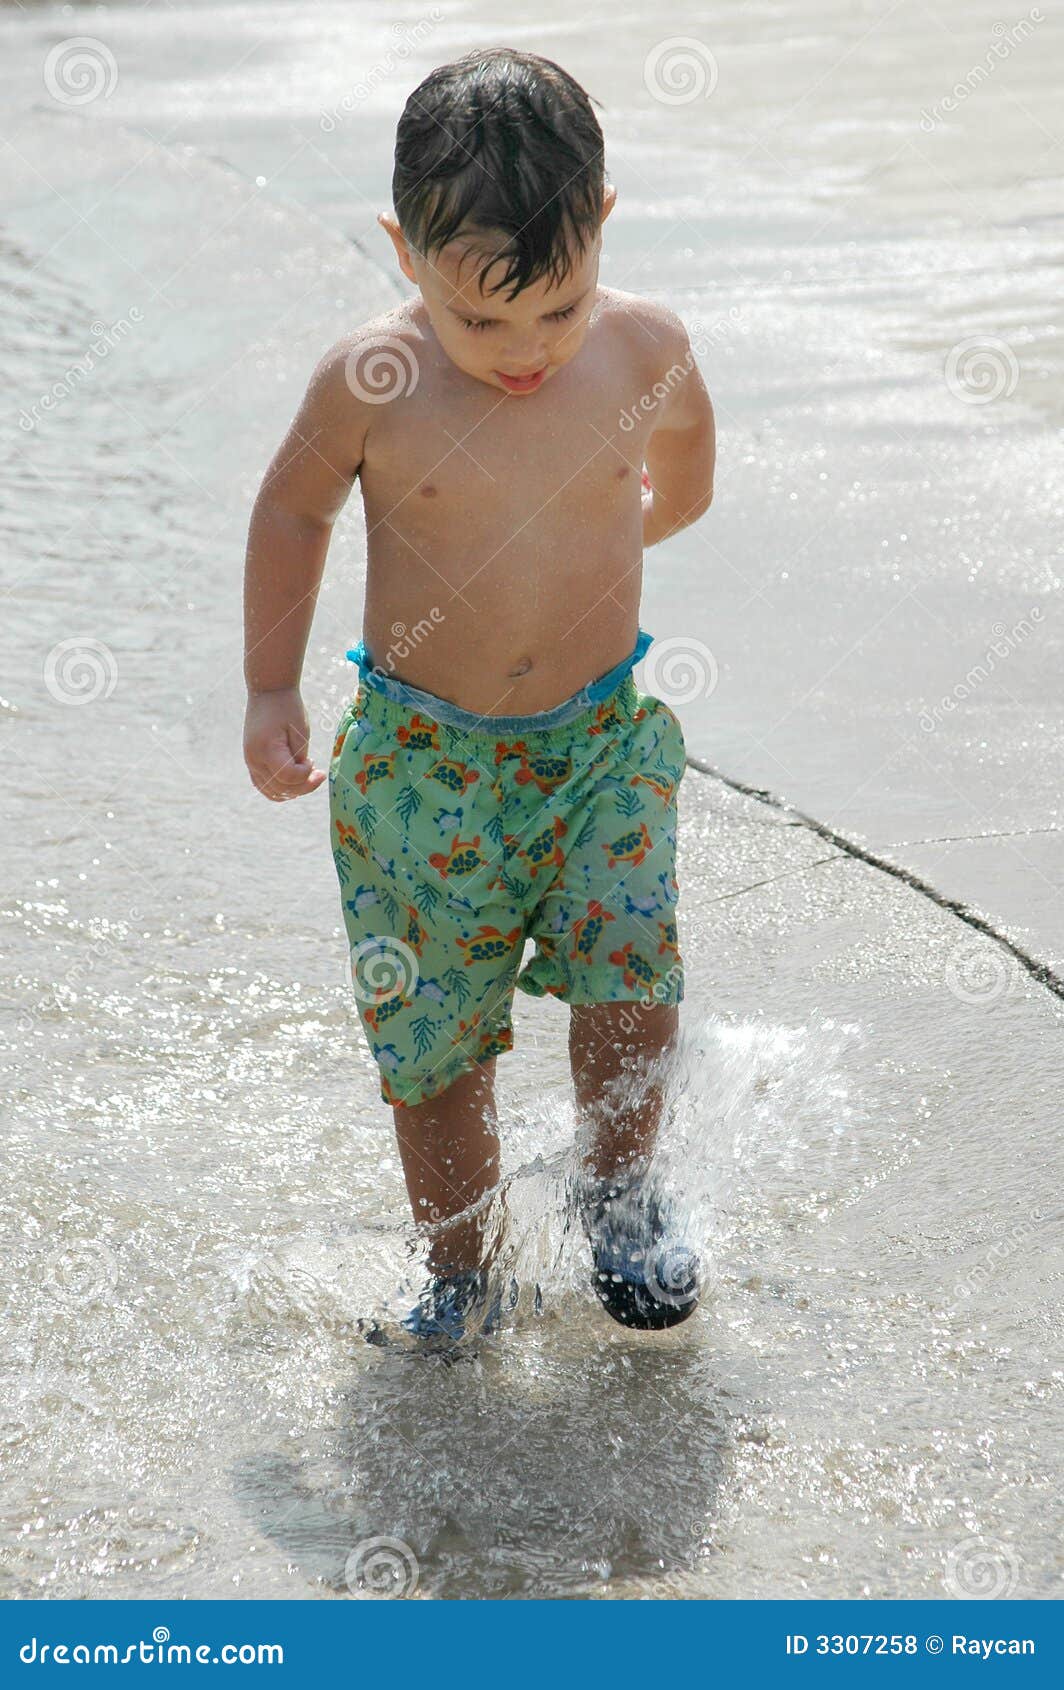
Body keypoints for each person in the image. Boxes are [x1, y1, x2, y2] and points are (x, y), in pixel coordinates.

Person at [242, 47, 716, 1342]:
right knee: (436, 1049)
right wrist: (269, 686)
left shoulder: (645, 351)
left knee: (633, 976)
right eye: (480, 320)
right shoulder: (373, 383)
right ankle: (463, 1273)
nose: (525, 351)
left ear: (602, 230)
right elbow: (291, 509)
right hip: (421, 772)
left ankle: (619, 1194)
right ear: (406, 253)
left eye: (557, 310)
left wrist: (602, 546)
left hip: (600, 745)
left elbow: (684, 478)